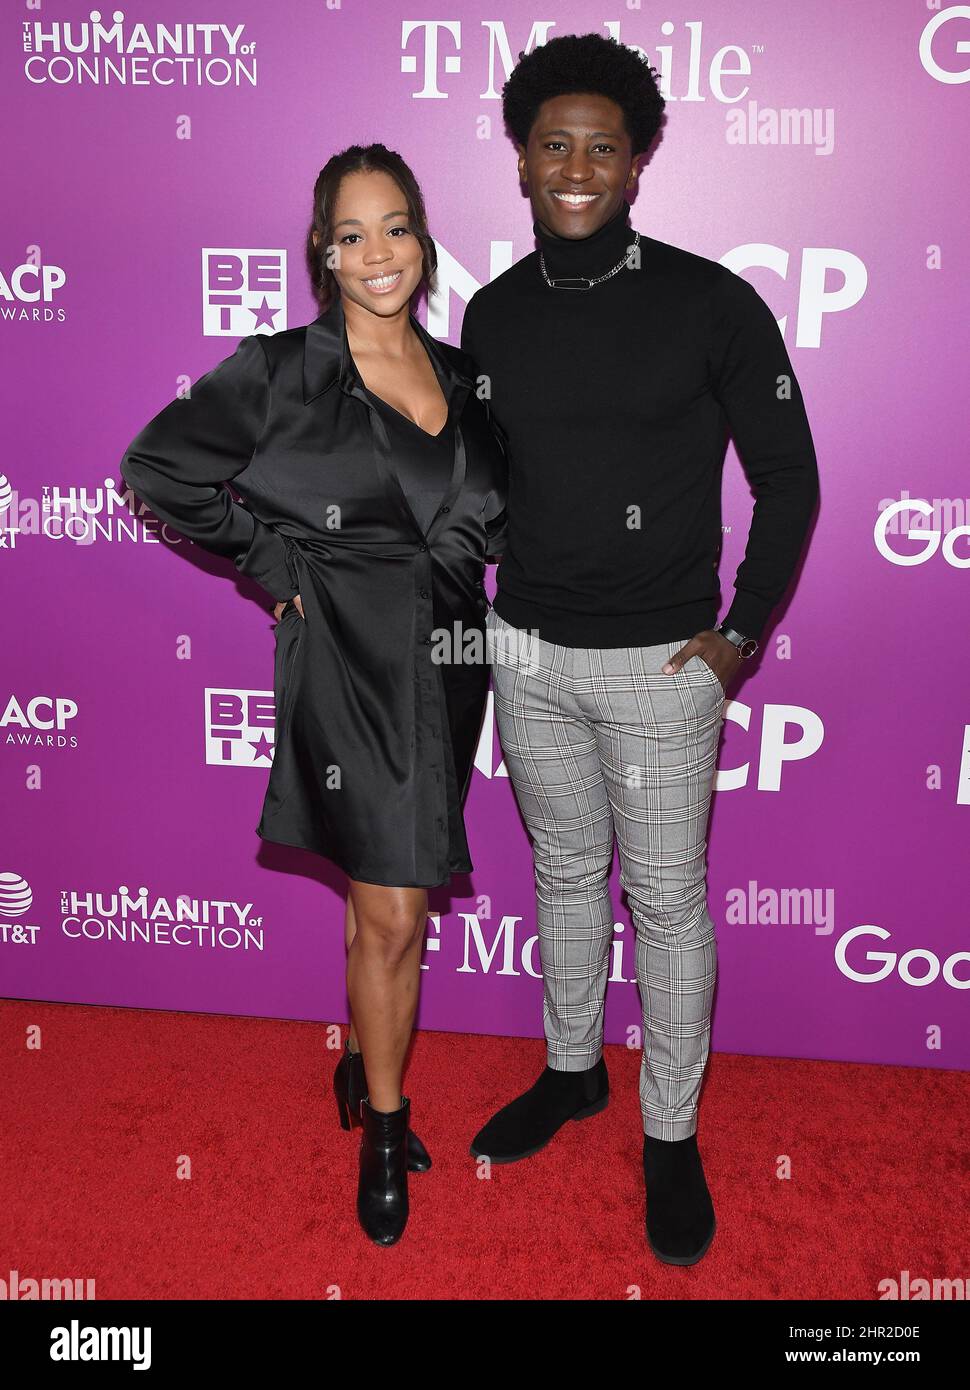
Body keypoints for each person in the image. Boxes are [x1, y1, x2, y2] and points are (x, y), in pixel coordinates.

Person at [461, 34, 819, 1265]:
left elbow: (790, 482)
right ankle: (573, 1075)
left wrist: (738, 637)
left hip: (667, 664)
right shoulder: (493, 312)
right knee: (565, 880)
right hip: (527, 651)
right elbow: (480, 484)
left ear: (636, 160)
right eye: (552, 144)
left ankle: (670, 1131)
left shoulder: (709, 300)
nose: (575, 166)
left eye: (600, 146)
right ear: (520, 160)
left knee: (663, 902)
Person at [120, 144, 508, 1247]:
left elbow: (492, 518)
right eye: (351, 233)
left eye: (395, 227)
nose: (377, 252)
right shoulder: (283, 370)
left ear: (422, 240)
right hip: (345, 659)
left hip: (449, 664)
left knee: (381, 897)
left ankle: (356, 1062)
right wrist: (277, 567)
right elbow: (158, 468)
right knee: (393, 908)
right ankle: (387, 1129)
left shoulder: (470, 375)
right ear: (321, 254)